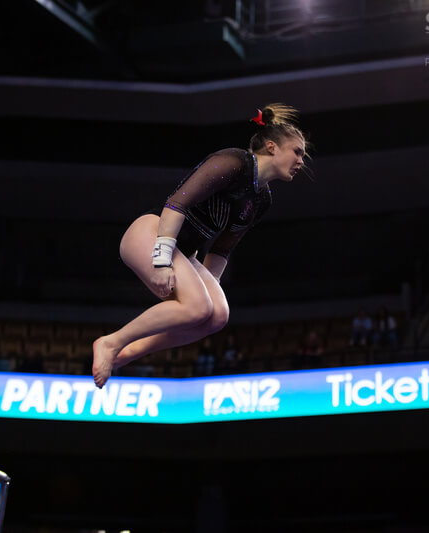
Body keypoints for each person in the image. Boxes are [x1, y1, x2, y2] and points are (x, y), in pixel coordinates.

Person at [91, 103, 308, 387]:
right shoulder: (234, 162)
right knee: (197, 307)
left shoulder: (262, 199)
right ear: (272, 147)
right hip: (151, 233)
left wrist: (203, 287)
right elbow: (176, 203)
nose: (302, 161)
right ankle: (111, 342)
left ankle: (127, 353)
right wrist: (161, 261)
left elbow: (222, 249)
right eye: (297, 152)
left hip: (183, 253)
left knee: (216, 316)